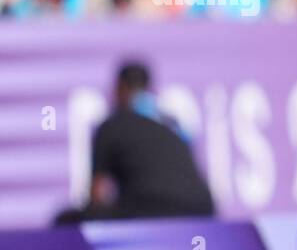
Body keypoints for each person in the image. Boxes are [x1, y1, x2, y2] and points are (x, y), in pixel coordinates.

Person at [55, 62, 215, 224]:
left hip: (151, 209)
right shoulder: (172, 125)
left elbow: (97, 195)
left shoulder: (111, 125)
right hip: (201, 208)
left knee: (66, 220)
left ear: (121, 87)